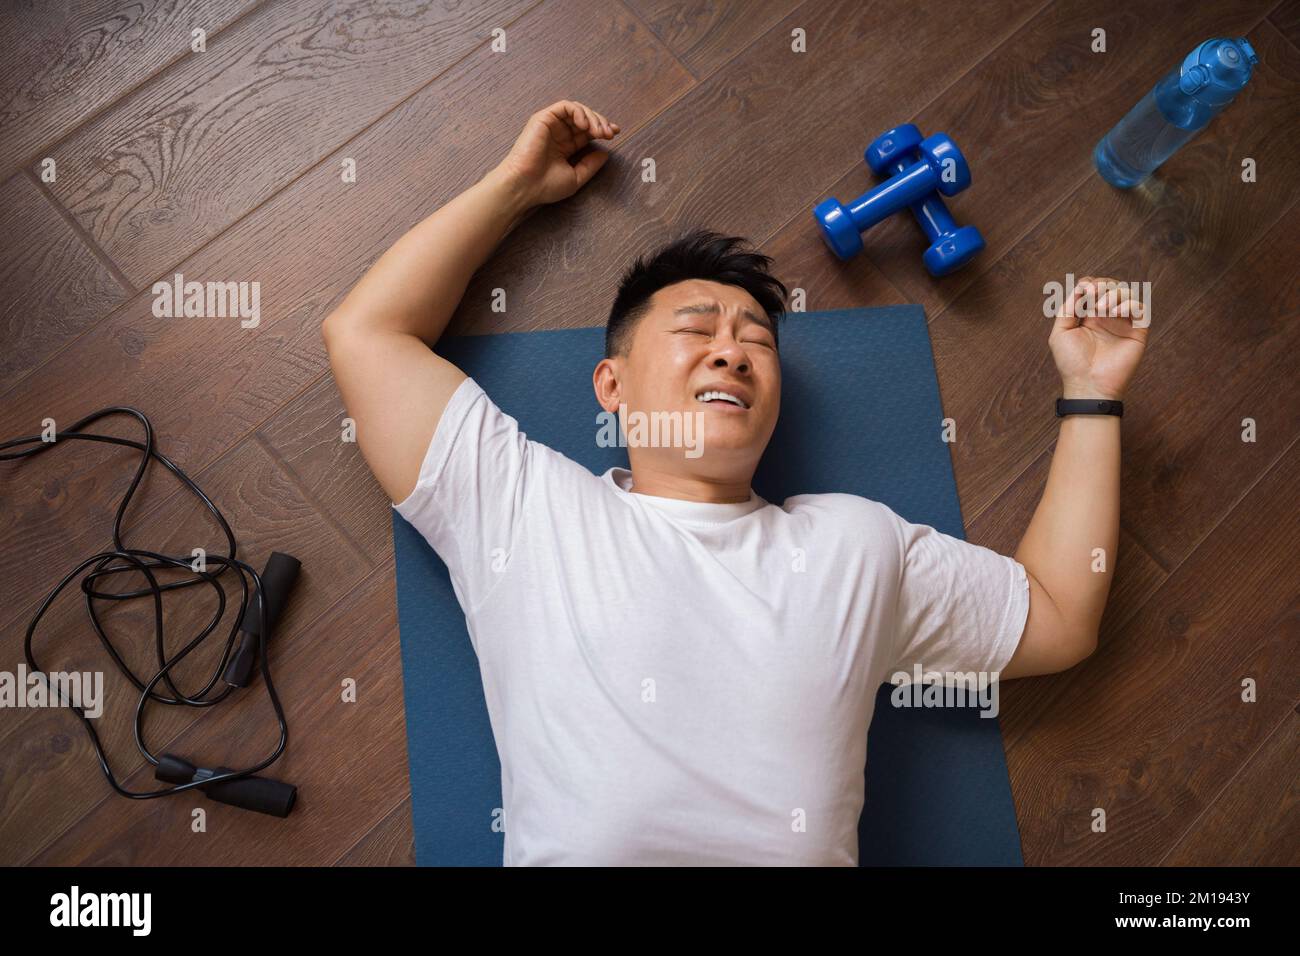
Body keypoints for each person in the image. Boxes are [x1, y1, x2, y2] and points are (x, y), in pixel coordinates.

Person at [322, 100, 1149, 865]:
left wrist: (1091, 392)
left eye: (756, 340)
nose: (732, 351)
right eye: (695, 330)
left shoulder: (855, 544)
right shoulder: (526, 508)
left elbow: (1057, 617)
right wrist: (515, 188)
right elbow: (366, 334)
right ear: (613, 388)